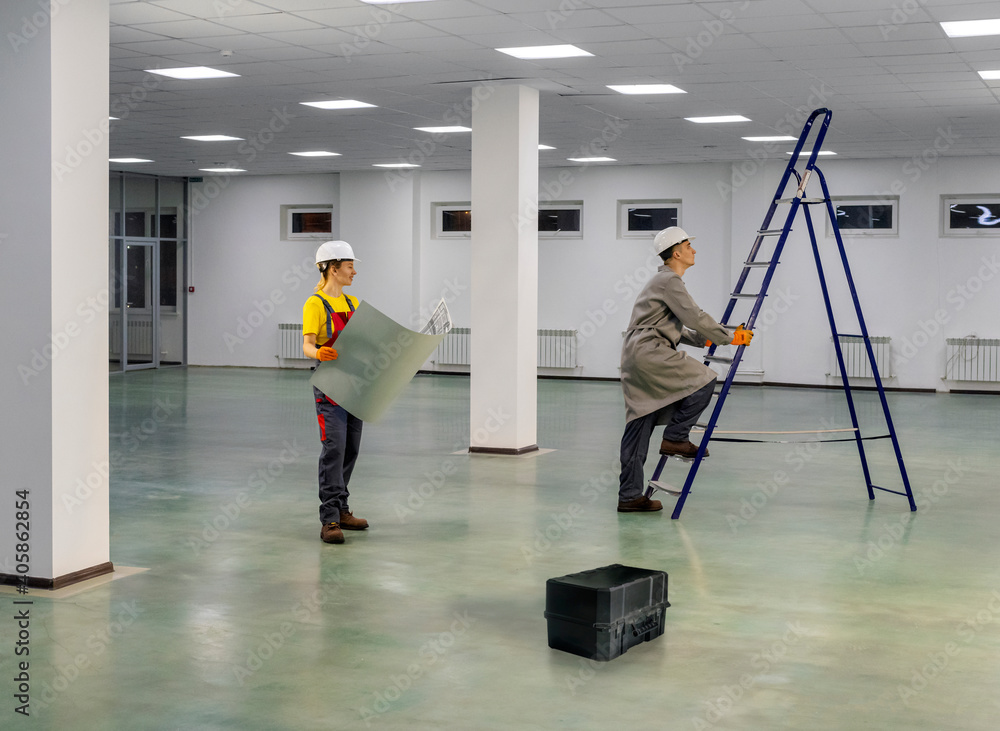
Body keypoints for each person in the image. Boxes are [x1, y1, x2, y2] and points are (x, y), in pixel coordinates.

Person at [617, 226, 753, 513]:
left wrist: (705, 337)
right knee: (705, 380)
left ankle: (630, 495)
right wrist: (730, 337)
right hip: (650, 353)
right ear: (676, 252)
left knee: (639, 425)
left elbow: (673, 326)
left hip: (636, 356)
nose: (694, 250)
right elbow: (694, 316)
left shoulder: (662, 282)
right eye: (689, 246)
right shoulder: (670, 281)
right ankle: (676, 438)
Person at [302, 240, 369, 543]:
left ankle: (342, 508)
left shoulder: (353, 303)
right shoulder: (314, 304)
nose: (354, 272)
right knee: (334, 449)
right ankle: (329, 519)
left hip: (355, 385)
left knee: (351, 449)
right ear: (333, 268)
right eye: (350, 266)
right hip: (329, 386)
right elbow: (307, 344)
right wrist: (318, 353)